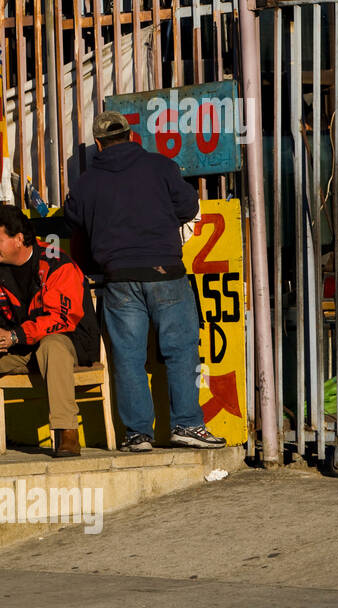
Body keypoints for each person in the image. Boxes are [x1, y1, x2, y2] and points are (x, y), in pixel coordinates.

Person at [63, 110, 224, 451]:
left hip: (119, 278)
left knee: (128, 357)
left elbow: (73, 217)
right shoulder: (162, 167)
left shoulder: (86, 182)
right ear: (132, 135)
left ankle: (138, 434)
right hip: (166, 272)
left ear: (98, 144)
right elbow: (188, 205)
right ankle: (188, 426)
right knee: (181, 352)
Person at [0, 205, 100, 460]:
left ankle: (67, 432)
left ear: (18, 239)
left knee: (53, 344)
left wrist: (13, 336)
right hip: (20, 347)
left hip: (68, 344)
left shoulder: (57, 262)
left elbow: (59, 320)